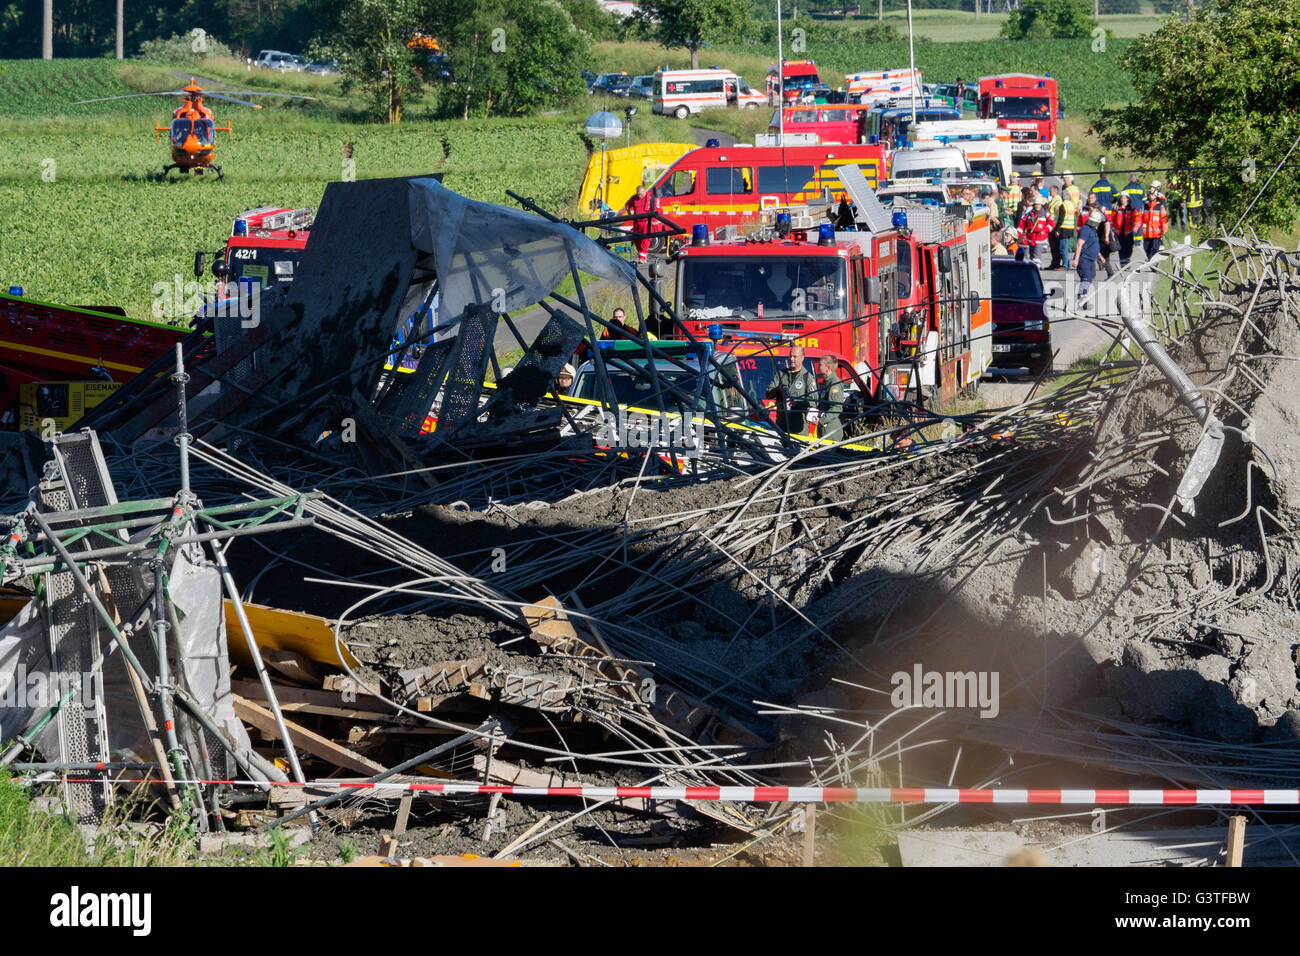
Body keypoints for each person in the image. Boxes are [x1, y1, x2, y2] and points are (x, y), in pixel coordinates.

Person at [766, 344, 817, 435]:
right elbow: (768, 394)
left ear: (802, 358)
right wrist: (778, 389)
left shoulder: (807, 377)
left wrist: (796, 403)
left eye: (795, 356)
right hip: (781, 426)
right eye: (790, 356)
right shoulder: (781, 374)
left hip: (798, 429)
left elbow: (813, 401)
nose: (791, 359)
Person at [813, 353, 845, 442]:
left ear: (828, 368)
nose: (818, 367)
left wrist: (822, 420)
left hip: (831, 431)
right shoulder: (826, 383)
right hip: (824, 429)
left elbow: (836, 408)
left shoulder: (835, 383)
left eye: (820, 365)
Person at [623, 185, 658, 263]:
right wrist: (630, 215)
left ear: (644, 191)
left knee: (645, 239)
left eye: (641, 194)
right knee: (637, 239)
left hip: (646, 222)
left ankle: (642, 257)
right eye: (638, 194)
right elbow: (627, 205)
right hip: (636, 222)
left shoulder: (650, 198)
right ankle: (642, 256)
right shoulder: (634, 198)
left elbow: (656, 209)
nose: (639, 196)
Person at [1072, 211, 1102, 303]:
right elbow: (1079, 245)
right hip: (1084, 259)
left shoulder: (1093, 230)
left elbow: (1093, 244)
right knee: (1086, 277)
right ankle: (1083, 296)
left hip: (1091, 259)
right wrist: (1076, 260)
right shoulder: (1085, 229)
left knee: (1090, 278)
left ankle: (1082, 294)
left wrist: (1100, 256)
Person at [1019, 197, 1052, 263]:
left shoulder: (1046, 214)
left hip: (1040, 238)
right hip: (1030, 238)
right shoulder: (1028, 215)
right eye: (1036, 204)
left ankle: (1037, 267)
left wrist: (1045, 230)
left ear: (1041, 205)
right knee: (1031, 256)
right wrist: (1018, 234)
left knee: (1036, 256)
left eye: (1039, 204)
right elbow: (1022, 225)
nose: (1037, 206)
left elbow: (1051, 224)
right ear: (1033, 205)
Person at [1143, 184, 1169, 260]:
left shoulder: (1160, 206)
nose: (1151, 196)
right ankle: (1150, 259)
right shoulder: (1145, 206)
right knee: (1146, 248)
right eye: (1150, 195)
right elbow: (1140, 217)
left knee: (1155, 248)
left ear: (1156, 196)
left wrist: (1164, 229)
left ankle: (1154, 264)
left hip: (1157, 233)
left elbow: (1164, 218)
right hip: (1147, 233)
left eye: (1152, 195)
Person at [1113, 192, 1138, 268]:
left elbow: (1136, 218)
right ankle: (1123, 263)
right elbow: (1112, 218)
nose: (1122, 199)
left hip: (1128, 231)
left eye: (1124, 198)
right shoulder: (1116, 208)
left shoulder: (1132, 208)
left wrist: (1135, 226)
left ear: (1127, 199)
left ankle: (1127, 258)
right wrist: (1112, 228)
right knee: (1121, 247)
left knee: (1129, 247)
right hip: (1119, 232)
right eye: (1121, 198)